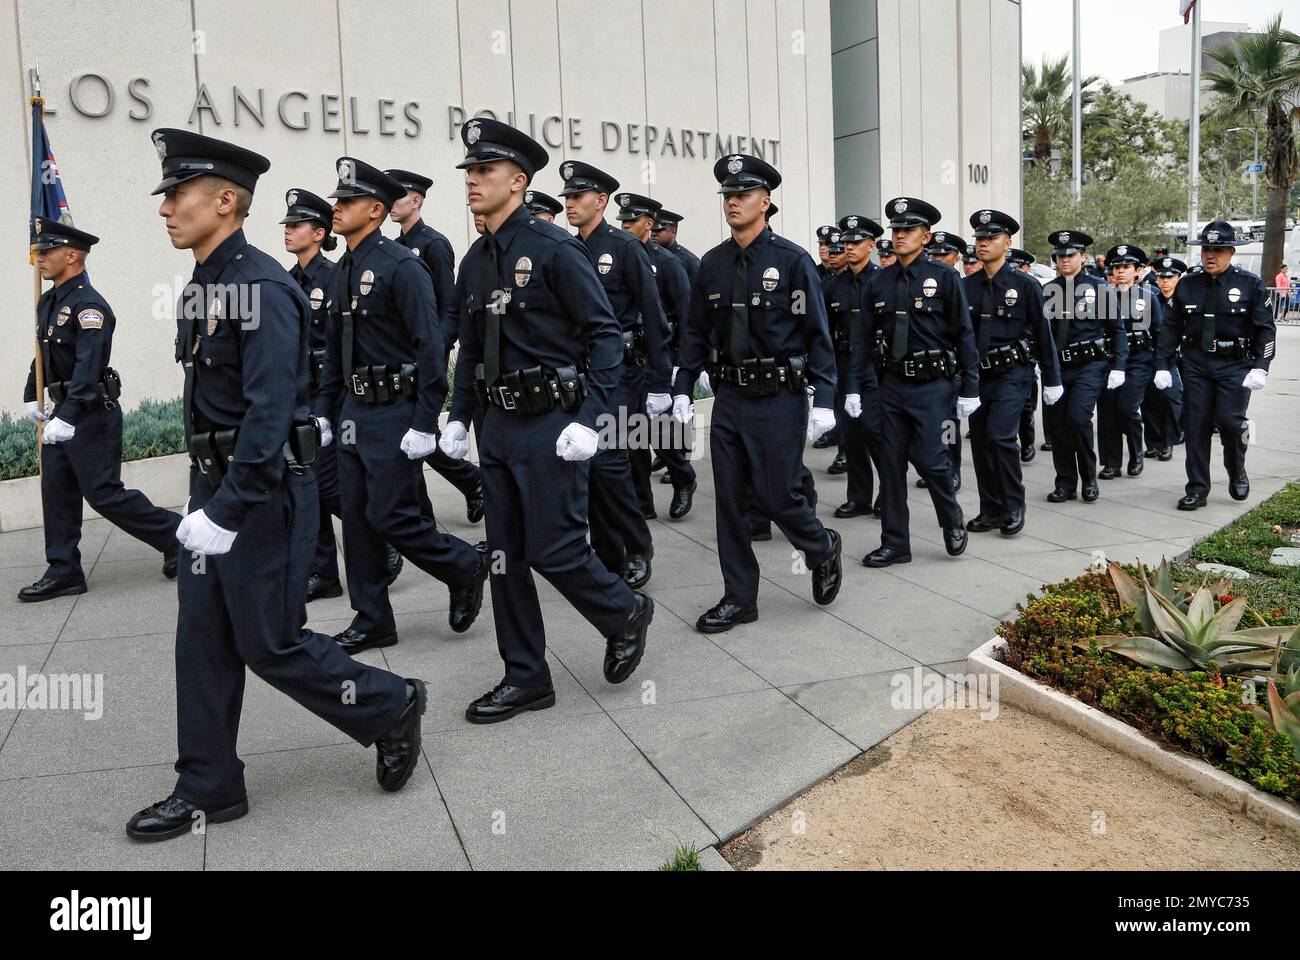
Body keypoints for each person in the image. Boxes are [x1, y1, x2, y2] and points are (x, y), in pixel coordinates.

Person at [126, 128, 425, 842]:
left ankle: (389, 704)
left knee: (273, 644)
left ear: (226, 201)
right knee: (200, 640)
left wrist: (227, 508)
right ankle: (209, 785)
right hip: (218, 490)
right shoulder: (206, 285)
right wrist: (206, 495)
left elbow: (271, 411)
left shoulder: (261, 287)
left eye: (179, 194)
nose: (166, 207)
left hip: (259, 498)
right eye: (165, 195)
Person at [437, 117, 653, 722]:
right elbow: (473, 349)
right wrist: (459, 417)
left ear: (519, 179)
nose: (473, 181)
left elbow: (605, 337)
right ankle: (526, 676)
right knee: (504, 557)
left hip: (552, 424)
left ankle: (623, 610)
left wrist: (591, 418)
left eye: (486, 171)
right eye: (470, 171)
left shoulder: (556, 249)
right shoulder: (476, 259)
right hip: (498, 426)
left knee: (555, 549)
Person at [314, 157, 488, 655]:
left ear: (374, 209)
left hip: (394, 410)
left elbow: (430, 348)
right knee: (359, 518)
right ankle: (372, 619)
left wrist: (423, 420)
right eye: (336, 200)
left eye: (345, 202)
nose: (336, 208)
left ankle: (463, 565)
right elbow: (335, 352)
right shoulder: (344, 268)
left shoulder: (402, 266)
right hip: (354, 411)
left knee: (392, 515)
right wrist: (327, 411)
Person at [670, 153, 843, 632]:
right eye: (727, 195)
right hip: (730, 399)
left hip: (778, 399)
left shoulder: (792, 261)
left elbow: (817, 335)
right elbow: (695, 332)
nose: (733, 202)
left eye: (743, 195)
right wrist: (684, 386)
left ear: (766, 201)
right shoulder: (712, 264)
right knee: (730, 501)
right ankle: (739, 597)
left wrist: (825, 400)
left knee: (778, 495)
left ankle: (821, 545)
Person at [20, 219, 181, 602]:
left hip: (91, 413)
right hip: (63, 410)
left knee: (105, 495)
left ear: (72, 255)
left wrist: (69, 416)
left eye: (46, 252)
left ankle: (177, 537)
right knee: (56, 491)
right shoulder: (48, 300)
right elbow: (42, 353)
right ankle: (64, 571)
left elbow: (87, 367)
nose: (38, 259)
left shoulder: (90, 306)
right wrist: (33, 393)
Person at [847, 196, 979, 567]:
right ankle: (895, 543)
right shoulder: (879, 281)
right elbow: (862, 339)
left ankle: (951, 521)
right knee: (890, 464)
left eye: (908, 230)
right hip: (891, 385)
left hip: (933, 386)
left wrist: (970, 387)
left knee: (934, 461)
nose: (900, 235)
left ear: (926, 236)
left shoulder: (944, 277)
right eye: (896, 229)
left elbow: (964, 335)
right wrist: (855, 387)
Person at [559, 161, 671, 589]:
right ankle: (608, 555)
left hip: (623, 372)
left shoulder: (625, 248)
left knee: (609, 463)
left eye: (578, 196)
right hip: (578, 373)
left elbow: (654, 316)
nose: (570, 203)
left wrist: (662, 382)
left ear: (600, 201)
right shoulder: (565, 248)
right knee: (586, 467)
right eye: (567, 197)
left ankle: (637, 546)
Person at [385, 168, 485, 524]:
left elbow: (448, 306)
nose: (390, 204)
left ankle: (470, 483)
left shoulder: (433, 244)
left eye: (397, 197)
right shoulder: (394, 248)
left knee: (419, 426)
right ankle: (471, 482)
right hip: (402, 355)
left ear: (416, 200)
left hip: (426, 352)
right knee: (416, 428)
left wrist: (435, 349)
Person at [1160, 221, 1275, 510]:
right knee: (1195, 425)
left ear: (1231, 252)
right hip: (1196, 364)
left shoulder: (1250, 284)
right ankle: (1197, 488)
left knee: (1230, 424)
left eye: (1218, 250)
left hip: (1234, 366)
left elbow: (1265, 329)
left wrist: (1261, 366)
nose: (1210, 255)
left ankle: (1236, 469)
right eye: (1206, 249)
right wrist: (1162, 363)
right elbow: (1171, 328)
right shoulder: (1187, 284)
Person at [962, 210, 1063, 537]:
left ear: (1008, 243)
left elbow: (1042, 333)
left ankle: (1013, 505)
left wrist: (1052, 380)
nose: (983, 244)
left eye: (990, 238)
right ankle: (990, 509)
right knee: (980, 442)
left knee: (1001, 437)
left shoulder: (1026, 285)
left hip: (1012, 374)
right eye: (979, 238)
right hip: (978, 377)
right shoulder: (966, 287)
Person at [615, 191, 698, 520]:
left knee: (662, 434)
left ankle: (684, 478)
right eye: (621, 221)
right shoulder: (619, 258)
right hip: (632, 360)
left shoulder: (667, 263)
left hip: (662, 357)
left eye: (631, 220)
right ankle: (642, 504)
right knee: (634, 437)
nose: (624, 226)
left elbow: (688, 317)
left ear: (648, 224)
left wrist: (683, 366)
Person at [1041, 229, 1126, 504]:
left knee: (1078, 420)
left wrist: (1119, 366)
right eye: (1059, 255)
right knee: (1058, 427)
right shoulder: (1047, 290)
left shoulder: (1099, 288)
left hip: (1089, 365)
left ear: (1083, 257)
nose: (1064, 260)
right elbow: (1040, 332)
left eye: (1070, 255)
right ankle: (1065, 483)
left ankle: (1089, 478)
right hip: (1057, 368)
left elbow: (1117, 330)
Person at [825, 216, 884, 519]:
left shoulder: (882, 281)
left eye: (856, 242)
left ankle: (887, 495)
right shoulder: (834, 285)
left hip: (875, 367)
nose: (849, 247)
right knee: (851, 435)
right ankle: (859, 497)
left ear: (871, 246)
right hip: (844, 365)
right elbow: (823, 329)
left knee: (876, 433)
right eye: (846, 242)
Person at [1097, 244, 1163, 480]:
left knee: (1126, 409)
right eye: (1117, 267)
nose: (1121, 271)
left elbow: (1158, 333)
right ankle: (1111, 463)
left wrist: (1160, 366)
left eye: (1126, 266)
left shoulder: (1148, 298)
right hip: (1109, 361)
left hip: (1138, 362)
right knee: (1107, 413)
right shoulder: (1104, 298)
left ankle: (1136, 453)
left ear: (1137, 270)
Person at [1142, 256, 1187, 461]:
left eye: (1170, 277)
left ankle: (1169, 440)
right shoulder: (1153, 300)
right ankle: (1152, 443)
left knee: (1171, 398)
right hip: (1154, 355)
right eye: (1161, 277)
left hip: (1180, 357)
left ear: (1179, 278)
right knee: (1150, 400)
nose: (1165, 281)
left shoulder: (1185, 301)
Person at [652, 208, 701, 285]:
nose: (653, 234)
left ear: (673, 231)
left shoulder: (689, 261)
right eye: (652, 230)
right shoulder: (648, 255)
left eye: (659, 230)